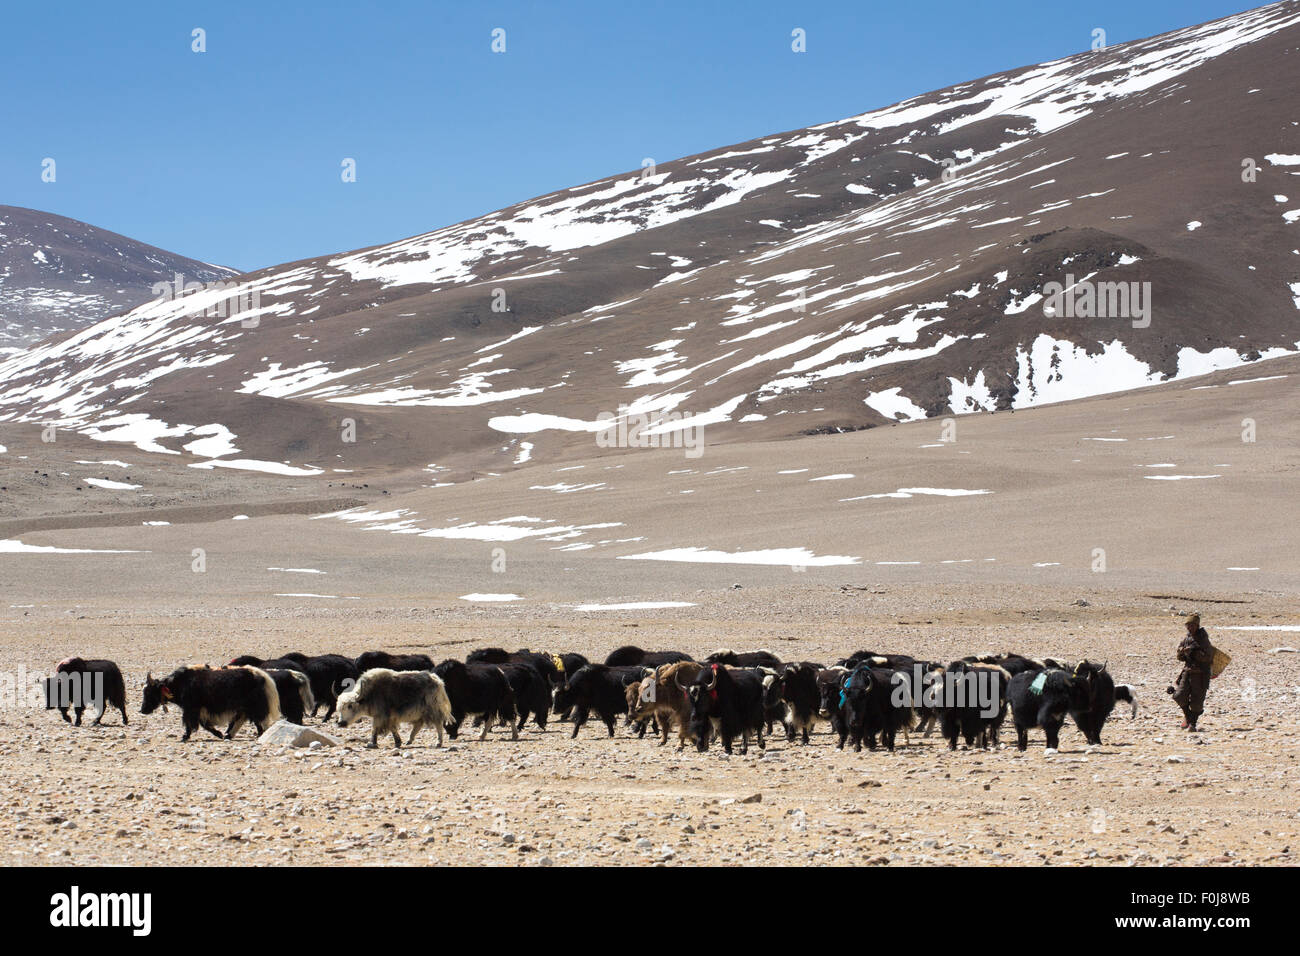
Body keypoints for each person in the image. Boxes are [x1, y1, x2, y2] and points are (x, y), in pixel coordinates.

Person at [1168, 613, 1214, 731]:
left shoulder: (1204, 640)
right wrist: (1182, 652)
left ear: (1197, 625)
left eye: (1192, 625)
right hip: (1187, 672)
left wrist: (1194, 652)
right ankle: (1188, 717)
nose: (1190, 627)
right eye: (1188, 625)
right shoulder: (1187, 639)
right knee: (1178, 695)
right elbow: (1179, 657)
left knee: (1197, 700)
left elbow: (1208, 657)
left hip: (1200, 674)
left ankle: (1192, 724)